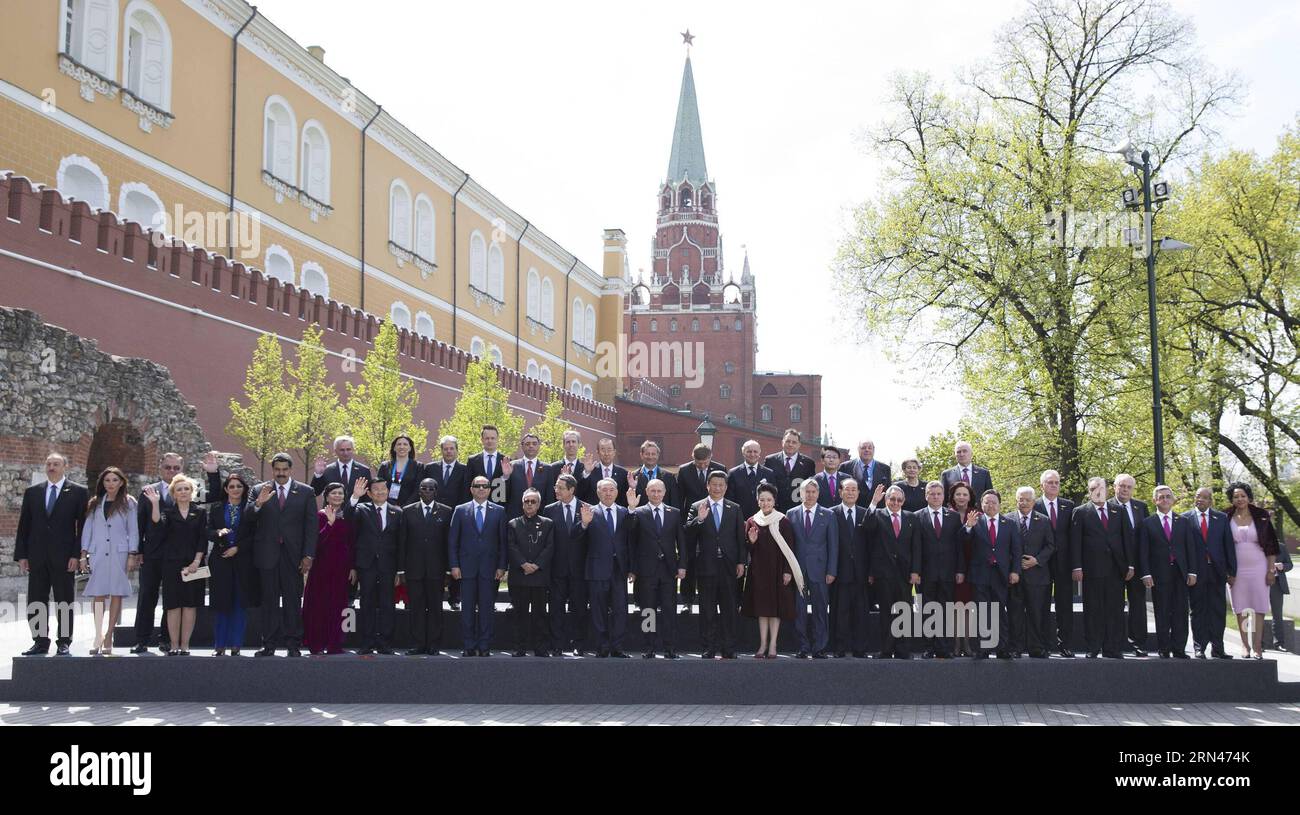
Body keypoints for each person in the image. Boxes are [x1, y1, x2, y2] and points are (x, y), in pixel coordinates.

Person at [132, 451, 221, 654]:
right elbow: (140, 523)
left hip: (183, 557)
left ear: (181, 469)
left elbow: (215, 495)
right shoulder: (148, 491)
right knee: (147, 596)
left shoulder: (191, 492)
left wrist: (213, 472)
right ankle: (142, 639)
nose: (172, 471)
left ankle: (167, 640)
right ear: (160, 467)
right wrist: (138, 550)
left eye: (176, 468)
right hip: (153, 555)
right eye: (167, 467)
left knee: (174, 600)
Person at [16, 453, 89, 656]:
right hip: (37, 556)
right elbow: (24, 525)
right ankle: (40, 642)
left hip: (65, 557)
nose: (51, 467)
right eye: (48, 464)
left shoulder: (78, 492)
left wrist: (77, 555)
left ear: (65, 466)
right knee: (36, 600)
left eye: (56, 464)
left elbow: (82, 527)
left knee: (64, 600)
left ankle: (64, 641)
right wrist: (22, 555)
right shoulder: (33, 492)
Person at [251, 452, 318, 657]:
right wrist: (258, 504)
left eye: (284, 469)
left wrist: (308, 555)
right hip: (268, 555)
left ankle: (293, 643)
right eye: (277, 470)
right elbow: (248, 519)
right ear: (273, 470)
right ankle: (269, 644)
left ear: (291, 470)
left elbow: (311, 526)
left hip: (294, 556)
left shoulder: (306, 492)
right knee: (269, 601)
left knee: (292, 600)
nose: (281, 473)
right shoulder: (259, 490)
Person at [144, 474, 208, 656]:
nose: (183, 492)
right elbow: (157, 525)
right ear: (173, 493)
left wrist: (196, 561)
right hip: (171, 564)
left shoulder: (200, 512)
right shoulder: (168, 512)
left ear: (192, 491)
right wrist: (155, 504)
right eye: (179, 489)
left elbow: (202, 539)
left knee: (190, 605)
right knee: (172, 606)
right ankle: (173, 645)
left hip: (195, 564)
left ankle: (185, 645)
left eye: (186, 489)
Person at [1071, 476, 1134, 659]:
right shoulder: (1080, 512)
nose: (1098, 491)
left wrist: (1130, 564)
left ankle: (1112, 647)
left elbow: (1126, 539)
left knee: (1115, 609)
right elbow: (1076, 542)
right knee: (1093, 609)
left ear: (1107, 490)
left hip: (1116, 568)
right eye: (1094, 488)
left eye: (1101, 488)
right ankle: (1093, 646)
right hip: (1092, 569)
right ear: (1089, 491)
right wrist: (1077, 567)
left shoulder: (1118, 511)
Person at [685, 471, 746, 659]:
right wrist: (700, 519)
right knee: (707, 609)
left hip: (729, 566)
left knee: (729, 609)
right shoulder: (697, 506)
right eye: (714, 484)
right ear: (707, 486)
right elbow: (687, 533)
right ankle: (708, 647)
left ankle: (729, 647)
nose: (717, 488)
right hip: (706, 565)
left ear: (726, 487)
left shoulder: (734, 508)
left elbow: (739, 539)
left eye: (721, 485)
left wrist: (741, 562)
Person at [80, 466, 137, 656]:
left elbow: (133, 529)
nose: (110, 483)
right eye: (107, 480)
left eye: (114, 480)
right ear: (102, 483)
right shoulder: (95, 502)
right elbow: (88, 529)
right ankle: (98, 634)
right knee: (98, 594)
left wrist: (132, 554)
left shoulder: (129, 503)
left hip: (119, 553)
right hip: (98, 553)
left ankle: (109, 634)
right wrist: (83, 554)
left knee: (116, 593)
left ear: (121, 482)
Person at [627, 478, 687, 658]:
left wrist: (682, 565)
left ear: (664, 492)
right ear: (646, 492)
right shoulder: (638, 512)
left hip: (669, 570)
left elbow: (681, 542)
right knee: (648, 610)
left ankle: (670, 648)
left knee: (669, 610)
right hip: (646, 570)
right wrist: (630, 509)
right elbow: (630, 538)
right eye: (652, 491)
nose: (656, 494)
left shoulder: (674, 513)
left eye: (659, 491)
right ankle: (649, 647)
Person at [449, 475, 507, 657]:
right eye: (477, 486)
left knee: (487, 609)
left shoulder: (499, 511)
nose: (481, 489)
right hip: (465, 569)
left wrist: (502, 566)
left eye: (485, 486)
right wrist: (454, 565)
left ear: (490, 490)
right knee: (467, 610)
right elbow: (452, 541)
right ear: (471, 489)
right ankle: (468, 645)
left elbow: (503, 542)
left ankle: (484, 645)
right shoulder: (460, 510)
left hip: (490, 569)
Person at [345, 477, 403, 655]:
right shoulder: (361, 509)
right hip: (366, 564)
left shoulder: (397, 511)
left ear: (388, 491)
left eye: (383, 489)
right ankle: (367, 641)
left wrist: (400, 570)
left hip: (388, 565)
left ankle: (385, 642)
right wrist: (355, 496)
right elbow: (348, 519)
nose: (380, 492)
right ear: (369, 493)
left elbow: (401, 543)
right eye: (376, 489)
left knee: (387, 604)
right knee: (367, 602)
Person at [1138, 485, 1196, 659]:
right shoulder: (1147, 523)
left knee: (1180, 611)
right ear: (1155, 500)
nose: (1165, 499)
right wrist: (1146, 573)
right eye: (1161, 497)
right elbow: (1143, 551)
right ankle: (1163, 648)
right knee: (1162, 611)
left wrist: (1192, 571)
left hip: (1180, 573)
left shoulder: (1183, 522)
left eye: (1168, 496)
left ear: (1173, 499)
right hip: (1159, 574)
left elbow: (1190, 549)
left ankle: (1179, 648)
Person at [743, 482, 799, 659]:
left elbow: (789, 549)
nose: (765, 503)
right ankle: (762, 644)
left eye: (769, 500)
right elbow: (748, 550)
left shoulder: (782, 521)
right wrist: (751, 542)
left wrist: (787, 571)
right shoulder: (752, 521)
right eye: (762, 500)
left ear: (774, 501)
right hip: (758, 571)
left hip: (778, 570)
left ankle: (773, 644)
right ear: (757, 501)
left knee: (775, 609)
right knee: (762, 609)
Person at [964, 489, 1021, 659]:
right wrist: (968, 527)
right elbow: (963, 541)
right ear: (981, 505)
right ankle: (982, 648)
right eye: (987, 502)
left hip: (1001, 575)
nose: (990, 505)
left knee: (999, 612)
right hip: (980, 574)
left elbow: (1016, 550)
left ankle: (1002, 647)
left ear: (999, 504)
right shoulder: (975, 521)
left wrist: (1015, 571)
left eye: (993, 502)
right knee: (982, 611)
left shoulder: (1009, 523)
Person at [206, 473, 260, 657]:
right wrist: (218, 532)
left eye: (239, 486)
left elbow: (254, 535)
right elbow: (207, 531)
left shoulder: (250, 508)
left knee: (239, 603)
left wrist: (238, 548)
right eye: (232, 486)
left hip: (243, 560)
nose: (235, 489)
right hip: (220, 559)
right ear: (226, 489)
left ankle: (236, 644)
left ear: (244, 489)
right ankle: (219, 645)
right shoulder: (216, 508)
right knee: (222, 603)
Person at [1225, 482, 1279, 660]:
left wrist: (1271, 570)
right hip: (1236, 568)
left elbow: (1271, 545)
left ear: (1248, 497)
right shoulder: (1225, 516)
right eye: (1235, 496)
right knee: (1240, 608)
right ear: (1231, 499)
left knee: (1258, 607)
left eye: (1242, 496)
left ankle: (1257, 646)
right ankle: (1245, 645)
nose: (1239, 499)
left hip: (1259, 567)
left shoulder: (1261, 515)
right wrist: (1227, 571)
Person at [399, 478, 452, 656]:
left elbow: (448, 543)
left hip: (437, 570)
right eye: (424, 488)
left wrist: (447, 570)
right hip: (414, 569)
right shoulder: (407, 511)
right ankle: (418, 643)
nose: (427, 491)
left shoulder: (446, 511)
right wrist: (401, 570)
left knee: (436, 608)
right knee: (416, 608)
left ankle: (434, 644)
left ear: (436, 491)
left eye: (431, 488)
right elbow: (402, 542)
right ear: (419, 490)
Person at [788, 479, 838, 658]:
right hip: (798, 570)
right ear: (800, 493)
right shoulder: (791, 514)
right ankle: (803, 646)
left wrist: (832, 570)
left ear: (818, 494)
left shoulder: (829, 515)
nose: (809, 495)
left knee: (820, 610)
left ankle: (819, 647)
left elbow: (833, 545)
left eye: (813, 492)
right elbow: (789, 545)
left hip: (820, 570)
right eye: (806, 492)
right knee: (799, 610)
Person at [915, 479, 964, 658]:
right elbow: (916, 547)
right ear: (926, 496)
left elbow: (959, 546)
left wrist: (960, 570)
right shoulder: (917, 516)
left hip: (948, 572)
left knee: (946, 609)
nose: (935, 497)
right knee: (928, 610)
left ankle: (944, 647)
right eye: (932, 494)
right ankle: (929, 647)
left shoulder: (953, 517)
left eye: (938, 494)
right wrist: (916, 571)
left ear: (943, 496)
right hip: (925, 574)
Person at [1186, 487, 1236, 659]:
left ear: (1210, 501)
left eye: (1204, 497)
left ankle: (1218, 647)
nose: (1200, 499)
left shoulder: (1221, 518)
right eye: (1197, 496)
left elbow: (1228, 546)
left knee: (1218, 610)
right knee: (1198, 610)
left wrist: (1232, 571)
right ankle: (1199, 647)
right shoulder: (1185, 518)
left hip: (1217, 571)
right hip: (1196, 572)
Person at [868, 485, 917, 659]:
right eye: (892, 499)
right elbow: (867, 527)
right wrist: (874, 502)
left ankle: (903, 649)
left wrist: (915, 571)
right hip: (883, 573)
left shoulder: (911, 518)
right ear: (886, 499)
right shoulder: (877, 515)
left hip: (904, 574)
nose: (895, 502)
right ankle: (886, 649)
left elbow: (916, 547)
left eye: (899, 499)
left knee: (904, 611)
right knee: (886, 612)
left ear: (903, 501)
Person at [303, 483, 352, 655]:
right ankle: (316, 643)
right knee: (319, 606)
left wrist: (353, 567)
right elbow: (316, 542)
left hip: (342, 569)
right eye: (334, 493)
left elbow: (350, 543)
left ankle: (336, 643)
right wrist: (330, 524)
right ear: (326, 496)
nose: (337, 496)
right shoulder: (319, 515)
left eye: (340, 493)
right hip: (322, 569)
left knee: (341, 607)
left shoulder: (348, 516)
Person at [543, 474, 589, 656]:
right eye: (556, 487)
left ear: (571, 489)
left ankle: (579, 643)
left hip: (579, 570)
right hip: (557, 569)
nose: (557, 490)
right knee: (556, 609)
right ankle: (557, 644)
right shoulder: (549, 510)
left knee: (579, 609)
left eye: (561, 488)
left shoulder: (586, 508)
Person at [585, 478, 631, 657]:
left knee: (620, 609)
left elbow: (631, 539)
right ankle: (602, 645)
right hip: (597, 568)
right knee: (598, 610)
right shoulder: (589, 511)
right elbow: (576, 537)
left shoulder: (625, 512)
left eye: (612, 489)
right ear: (598, 493)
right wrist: (583, 524)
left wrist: (632, 569)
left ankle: (617, 646)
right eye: (604, 490)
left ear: (617, 492)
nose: (608, 493)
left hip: (619, 569)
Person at [830, 478, 875, 658]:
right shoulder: (831, 513)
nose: (850, 493)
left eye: (854, 490)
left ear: (858, 493)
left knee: (860, 613)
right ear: (840, 492)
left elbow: (871, 545)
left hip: (861, 573)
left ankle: (860, 648)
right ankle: (839, 648)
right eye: (847, 489)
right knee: (839, 613)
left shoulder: (866, 513)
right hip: (839, 573)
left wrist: (871, 572)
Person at [506, 488, 554, 657]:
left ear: (539, 504)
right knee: (519, 614)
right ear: (522, 503)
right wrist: (523, 564)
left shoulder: (548, 523)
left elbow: (550, 547)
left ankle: (540, 647)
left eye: (533, 501)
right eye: (527, 501)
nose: (529, 505)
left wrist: (536, 565)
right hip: (520, 577)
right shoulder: (513, 523)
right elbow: (511, 547)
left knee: (540, 614)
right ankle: (519, 647)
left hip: (539, 577)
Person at [1035, 469, 1077, 657]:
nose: (1054, 485)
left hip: (1063, 564)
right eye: (1050, 482)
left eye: (1056, 482)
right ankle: (1042, 643)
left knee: (1064, 606)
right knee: (1041, 604)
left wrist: (1076, 564)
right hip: (1041, 563)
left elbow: (1075, 538)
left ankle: (1065, 644)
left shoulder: (1069, 506)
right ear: (1042, 485)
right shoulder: (1033, 505)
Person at [1009, 487, 1052, 658]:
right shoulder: (1008, 520)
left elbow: (1051, 545)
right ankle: (1016, 647)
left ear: (1034, 502)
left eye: (1027, 499)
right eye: (1021, 499)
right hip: (1015, 576)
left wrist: (1037, 560)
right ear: (1016, 500)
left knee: (1036, 613)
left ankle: (1036, 647)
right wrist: (1015, 563)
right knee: (1015, 613)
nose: (1024, 502)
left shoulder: (1044, 520)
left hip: (1037, 576)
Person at [428, 435, 469, 611]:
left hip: (456, 518)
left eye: (452, 448)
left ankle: (455, 597)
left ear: (457, 450)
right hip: (433, 520)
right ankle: (435, 596)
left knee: (455, 557)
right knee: (435, 557)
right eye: (445, 448)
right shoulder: (430, 468)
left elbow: (466, 495)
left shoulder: (465, 470)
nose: (449, 451)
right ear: (441, 450)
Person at [1112, 473, 1150, 656]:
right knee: (1115, 605)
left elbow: (1146, 538)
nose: (1125, 490)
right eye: (1122, 486)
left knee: (1138, 605)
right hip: (1113, 566)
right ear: (1115, 487)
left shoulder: (1141, 507)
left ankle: (1138, 643)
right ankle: (1116, 642)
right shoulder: (1107, 506)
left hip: (1137, 565)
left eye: (1128, 487)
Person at [947, 481, 978, 656]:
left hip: (970, 566)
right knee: (952, 607)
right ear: (952, 496)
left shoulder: (977, 514)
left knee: (966, 607)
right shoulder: (946, 513)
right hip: (949, 566)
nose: (961, 497)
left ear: (970, 497)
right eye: (958, 494)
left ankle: (966, 643)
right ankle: (954, 644)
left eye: (965, 494)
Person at [504, 433, 555, 521]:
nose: (531, 446)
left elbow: (549, 497)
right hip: (515, 518)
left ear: (539, 446)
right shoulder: (512, 466)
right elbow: (504, 494)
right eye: (527, 444)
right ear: (522, 446)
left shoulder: (547, 469)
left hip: (540, 518)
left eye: (534, 444)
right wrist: (505, 477)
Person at [763, 429, 816, 512]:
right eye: (788, 441)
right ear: (782, 442)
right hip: (774, 509)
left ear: (799, 445)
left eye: (794, 442)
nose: (790, 444)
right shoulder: (770, 461)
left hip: (799, 510)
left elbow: (811, 488)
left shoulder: (808, 463)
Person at [727, 440, 774, 519]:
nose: (752, 454)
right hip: (739, 518)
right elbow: (729, 499)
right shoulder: (733, 473)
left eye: (755, 451)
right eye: (749, 451)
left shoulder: (769, 473)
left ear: (759, 453)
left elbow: (773, 497)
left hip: (763, 518)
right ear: (743, 453)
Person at [376, 435, 423, 507]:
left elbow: (418, 490)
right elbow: (379, 486)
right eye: (399, 444)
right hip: (387, 506)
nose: (402, 447)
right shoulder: (385, 466)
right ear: (394, 448)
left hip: (410, 508)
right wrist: (392, 505)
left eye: (405, 444)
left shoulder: (418, 466)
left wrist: (406, 506)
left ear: (410, 448)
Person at [584, 437, 631, 508]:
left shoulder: (623, 473)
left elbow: (628, 497)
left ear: (614, 452)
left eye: (609, 450)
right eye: (603, 450)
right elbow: (581, 492)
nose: (606, 454)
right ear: (598, 452)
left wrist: (632, 487)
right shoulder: (590, 470)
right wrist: (587, 472)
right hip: (595, 514)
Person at [631, 440, 679, 509]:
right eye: (647, 454)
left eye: (653, 454)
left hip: (663, 517)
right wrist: (632, 488)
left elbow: (674, 502)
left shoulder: (669, 477)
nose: (650, 457)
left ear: (658, 455)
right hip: (641, 517)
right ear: (641, 455)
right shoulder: (633, 477)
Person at [466, 425, 506, 500]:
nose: (490, 441)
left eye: (492, 438)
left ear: (498, 439)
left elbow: (508, 487)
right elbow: (467, 485)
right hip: (477, 503)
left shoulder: (506, 460)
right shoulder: (472, 460)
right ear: (482, 440)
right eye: (487, 438)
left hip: (499, 504)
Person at [552, 430, 589, 502]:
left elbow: (587, 491)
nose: (571, 444)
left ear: (579, 445)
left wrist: (587, 473)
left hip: (580, 509)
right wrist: (562, 480)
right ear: (563, 445)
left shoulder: (585, 468)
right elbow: (551, 493)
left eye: (574, 442)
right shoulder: (553, 467)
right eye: (568, 442)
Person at [1270, 538, 1293, 651]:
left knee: (1277, 614)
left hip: (1277, 585)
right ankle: (1259, 644)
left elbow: (1290, 564)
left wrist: (1283, 566)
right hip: (1261, 584)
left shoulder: (1281, 547)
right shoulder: (1258, 546)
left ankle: (1279, 643)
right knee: (1259, 613)